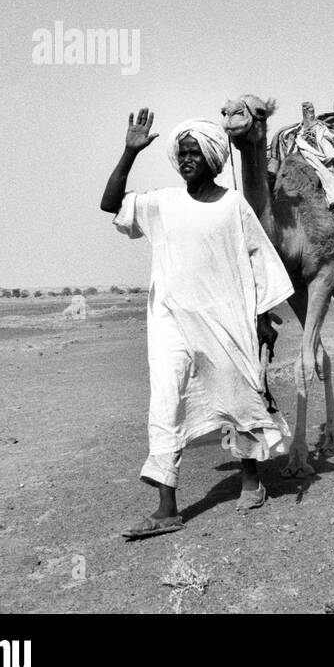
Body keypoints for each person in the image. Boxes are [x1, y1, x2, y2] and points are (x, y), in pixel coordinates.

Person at [100, 108, 295, 540]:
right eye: (181, 154)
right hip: (169, 321)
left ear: (212, 158)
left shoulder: (232, 205)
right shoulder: (161, 204)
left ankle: (250, 479)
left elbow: (259, 261)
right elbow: (110, 204)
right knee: (166, 404)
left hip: (225, 320)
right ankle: (167, 507)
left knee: (238, 397)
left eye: (194, 153)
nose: (186, 159)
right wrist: (129, 152)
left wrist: (263, 317)